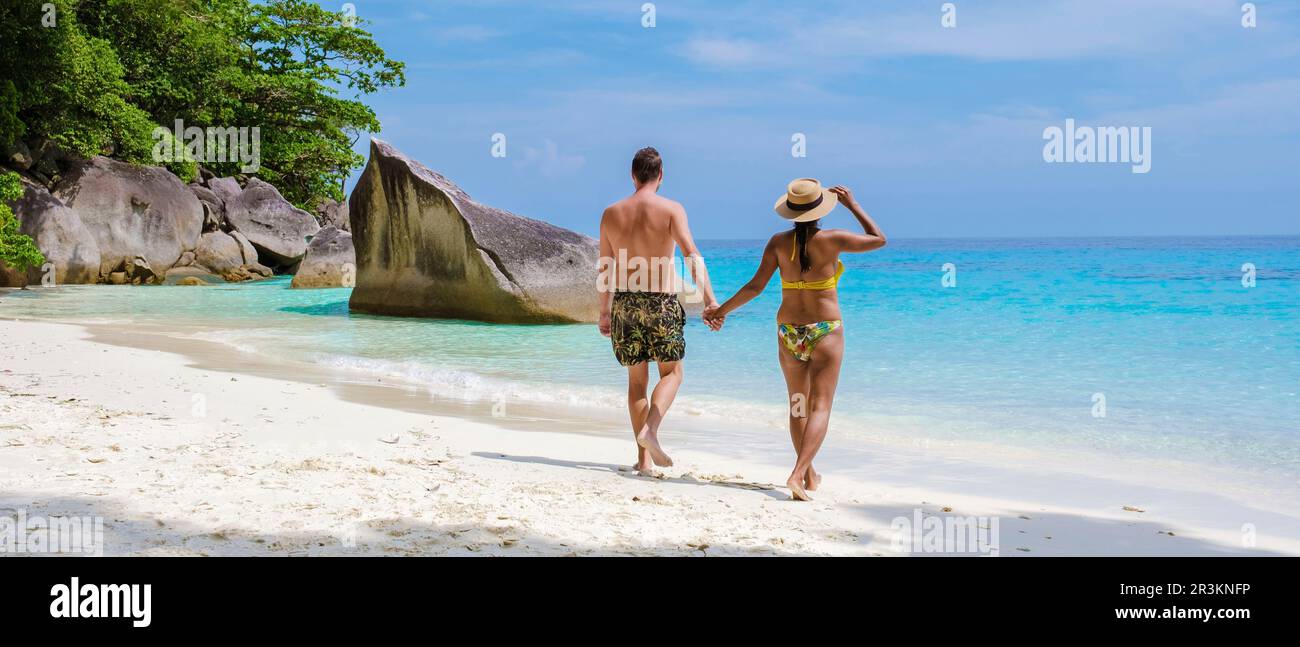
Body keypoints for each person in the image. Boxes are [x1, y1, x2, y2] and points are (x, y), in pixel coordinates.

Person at [704, 179, 886, 500]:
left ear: (791, 212)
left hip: (789, 333)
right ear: (821, 210)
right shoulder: (833, 239)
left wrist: (722, 310)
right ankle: (798, 473)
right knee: (820, 407)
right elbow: (878, 239)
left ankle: (809, 474)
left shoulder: (777, 243)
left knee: (798, 405)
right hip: (825, 330)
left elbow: (755, 287)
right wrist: (853, 205)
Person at [597, 147, 719, 475]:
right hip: (662, 302)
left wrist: (604, 311)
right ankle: (651, 429)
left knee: (637, 383)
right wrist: (709, 299)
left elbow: (606, 266)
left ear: (633, 175)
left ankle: (643, 462)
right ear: (661, 175)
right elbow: (691, 255)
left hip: (625, 302)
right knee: (672, 374)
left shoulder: (611, 213)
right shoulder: (671, 209)